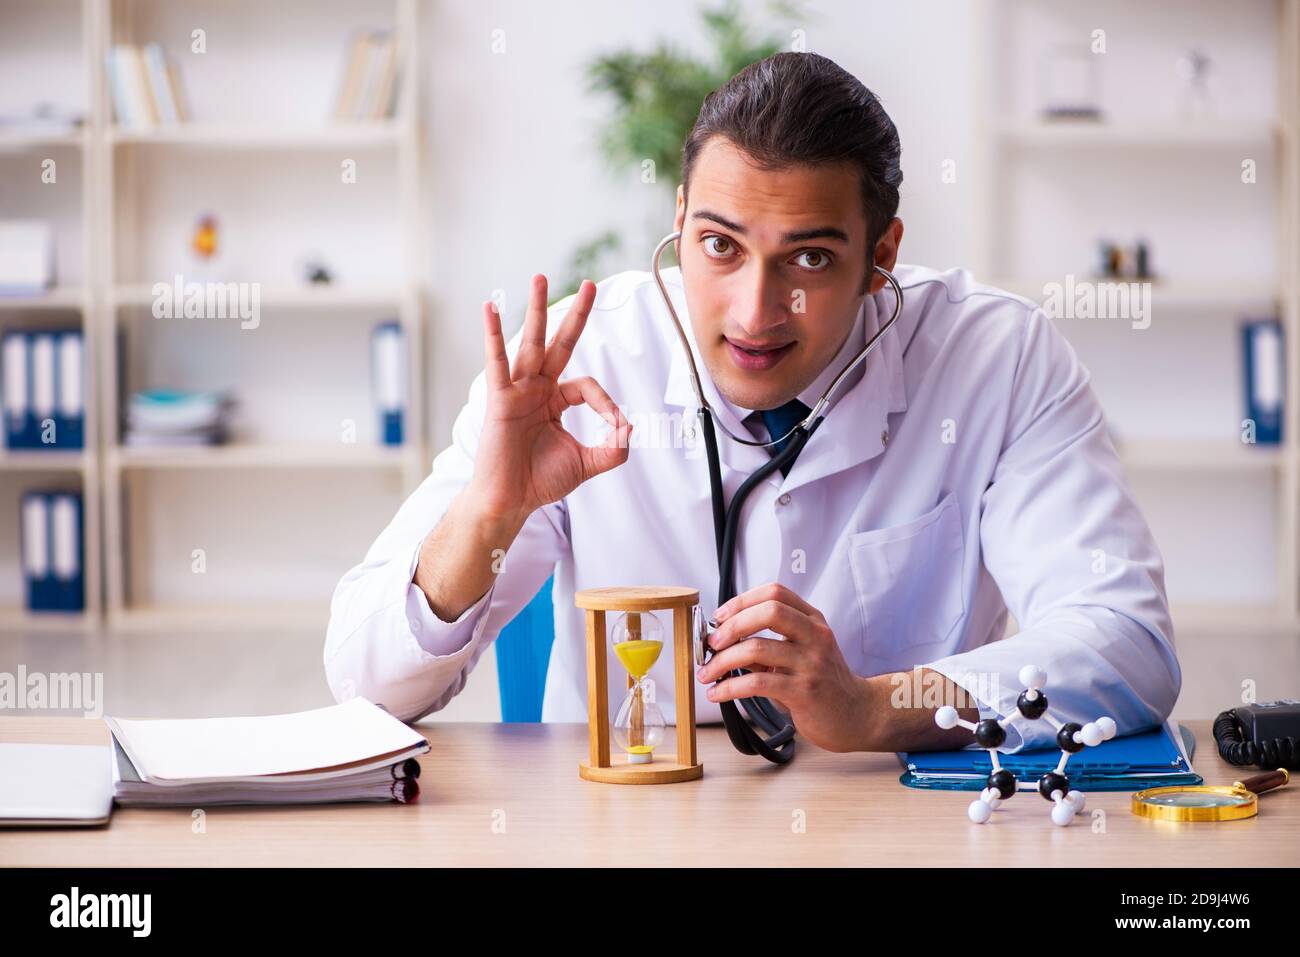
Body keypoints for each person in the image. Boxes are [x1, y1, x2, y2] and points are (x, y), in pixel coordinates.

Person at [323, 52, 1180, 754]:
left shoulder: (998, 357)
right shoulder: (576, 361)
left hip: (891, 827)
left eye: (808, 259)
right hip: (620, 827)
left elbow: (1127, 643)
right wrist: (487, 514)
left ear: (882, 255)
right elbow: (364, 684)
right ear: (681, 218)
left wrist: (876, 705)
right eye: (720, 246)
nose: (755, 311)